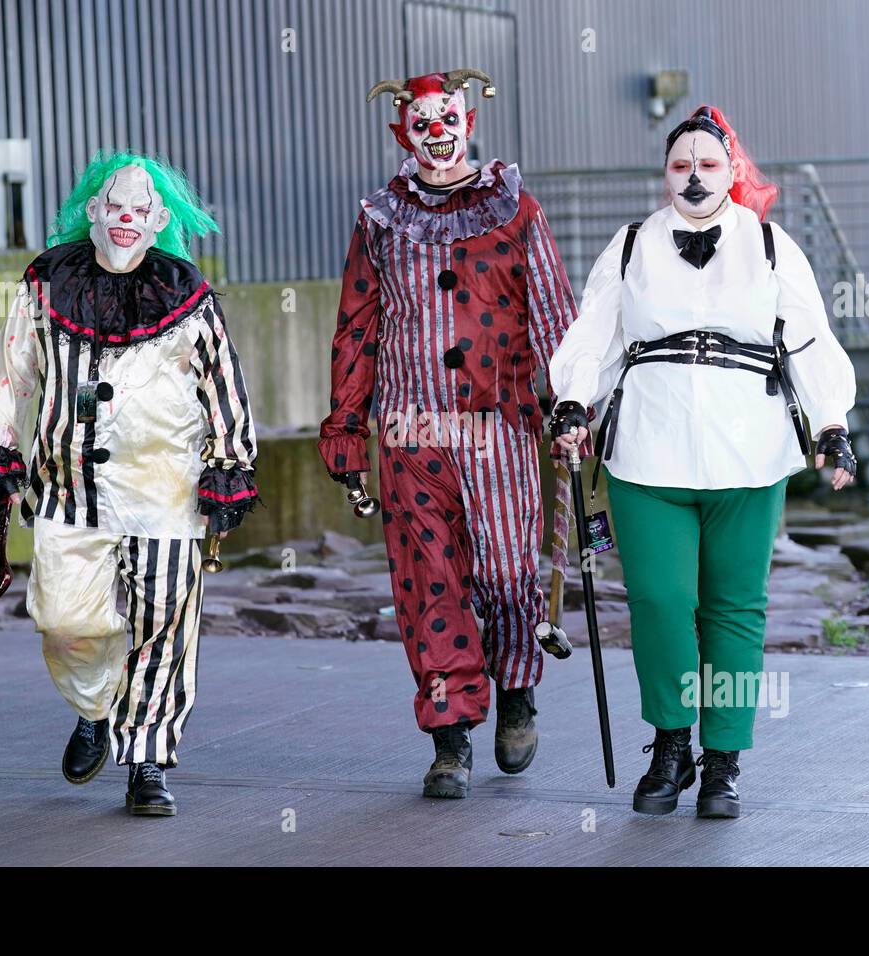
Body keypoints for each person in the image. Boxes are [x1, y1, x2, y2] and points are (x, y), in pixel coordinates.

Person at [548, 106, 857, 818]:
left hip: (749, 453)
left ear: (731, 171)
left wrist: (831, 424)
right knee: (659, 603)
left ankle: (724, 760)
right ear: (665, 174)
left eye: (708, 165)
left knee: (734, 611)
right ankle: (670, 744)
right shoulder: (630, 246)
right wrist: (573, 401)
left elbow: (809, 341)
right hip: (648, 456)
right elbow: (594, 330)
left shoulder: (772, 247)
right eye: (680, 165)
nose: (693, 176)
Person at [0, 152, 258, 817]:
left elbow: (222, 383)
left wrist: (232, 464)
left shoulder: (186, 294)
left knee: (165, 624)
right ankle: (95, 704)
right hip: (70, 487)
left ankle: (147, 759)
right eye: (115, 208)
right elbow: (12, 368)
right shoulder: (46, 283)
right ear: (91, 213)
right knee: (64, 618)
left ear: (159, 222)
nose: (126, 220)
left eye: (140, 211)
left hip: (167, 488)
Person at [317, 69, 578, 798]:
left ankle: (517, 686)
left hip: (499, 428)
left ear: (469, 122)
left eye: (447, 119)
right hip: (408, 431)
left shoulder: (516, 209)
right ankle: (450, 735)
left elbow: (555, 311)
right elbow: (357, 327)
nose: (436, 133)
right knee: (428, 583)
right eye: (420, 123)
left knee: (504, 571)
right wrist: (346, 430)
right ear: (403, 132)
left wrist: (572, 404)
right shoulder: (378, 219)